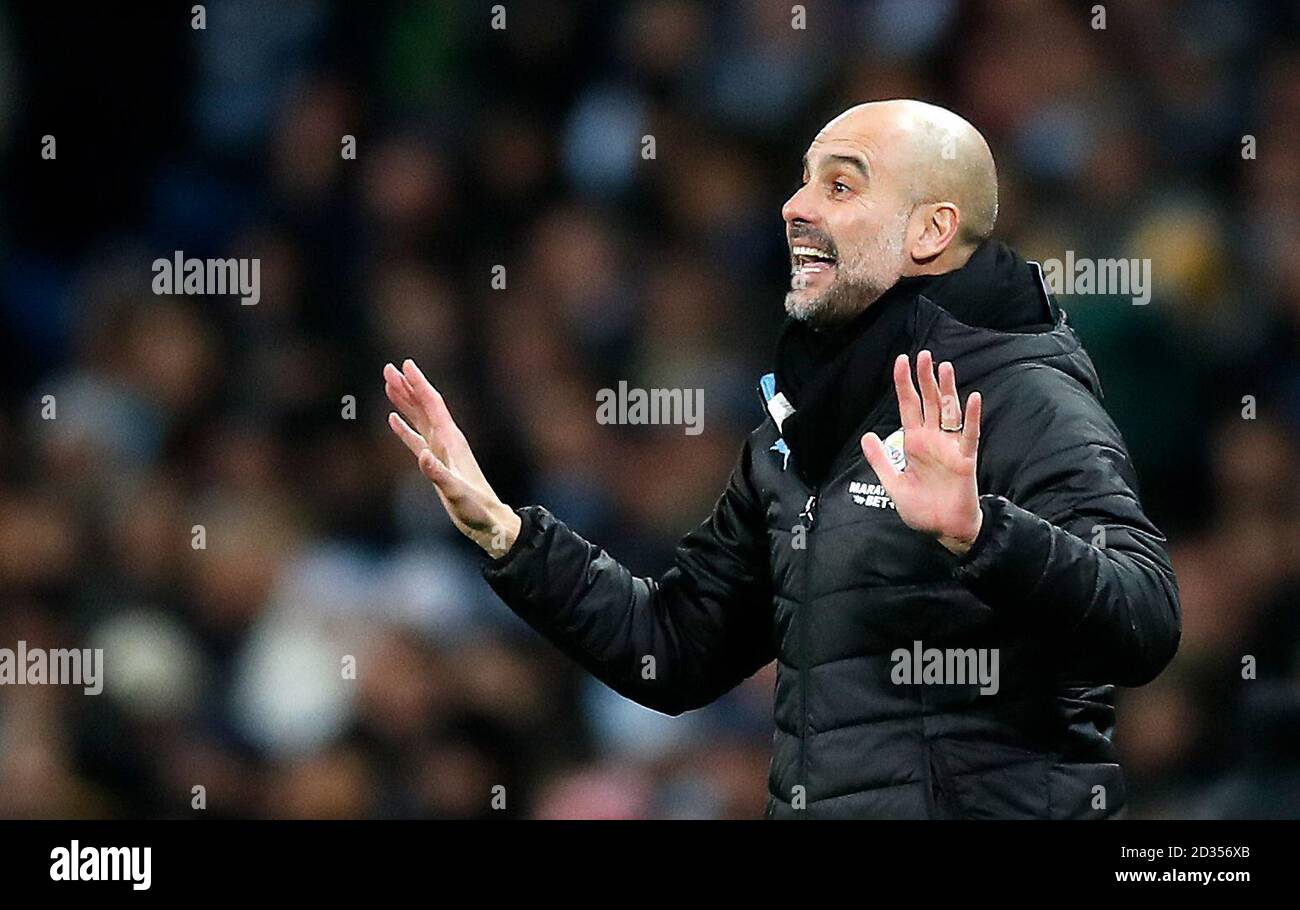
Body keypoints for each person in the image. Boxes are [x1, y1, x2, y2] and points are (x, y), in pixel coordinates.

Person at [382, 100, 1181, 819]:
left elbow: (1144, 619)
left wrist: (983, 533)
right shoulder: (795, 432)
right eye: (802, 183)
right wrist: (507, 536)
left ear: (931, 231)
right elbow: (674, 650)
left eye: (841, 186)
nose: (795, 207)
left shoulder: (1019, 395)